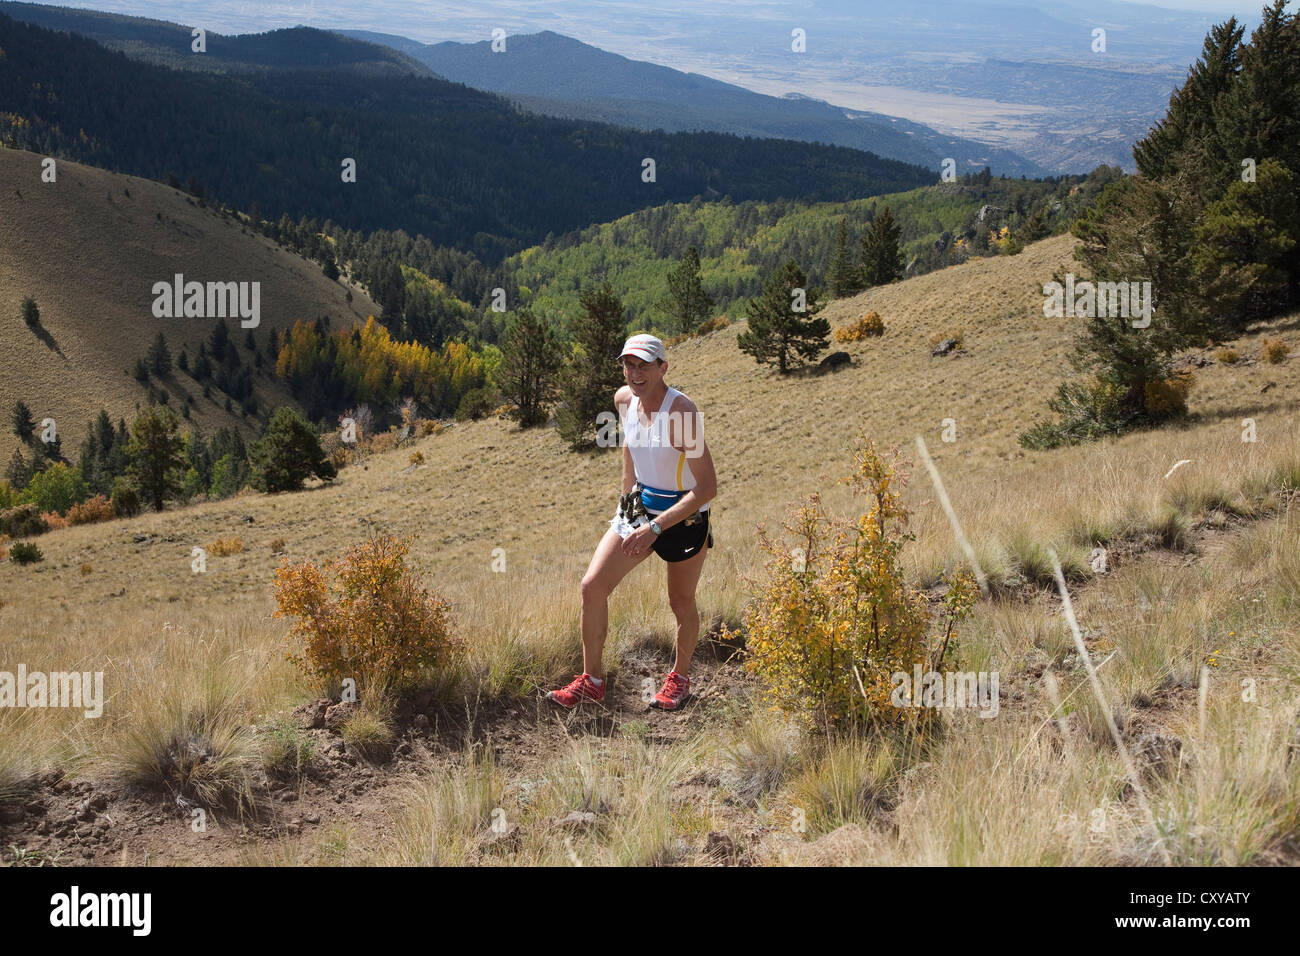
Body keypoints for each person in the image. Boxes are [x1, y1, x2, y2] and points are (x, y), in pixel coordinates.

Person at [547, 333, 717, 711]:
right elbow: (629, 449)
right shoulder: (624, 400)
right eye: (628, 364)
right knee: (591, 586)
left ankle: (680, 679)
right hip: (640, 505)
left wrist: (656, 528)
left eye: (643, 365)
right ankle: (591, 682)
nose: (634, 373)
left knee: (681, 601)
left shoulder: (682, 413)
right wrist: (627, 500)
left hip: (684, 516)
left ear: (663, 368)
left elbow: (706, 488)